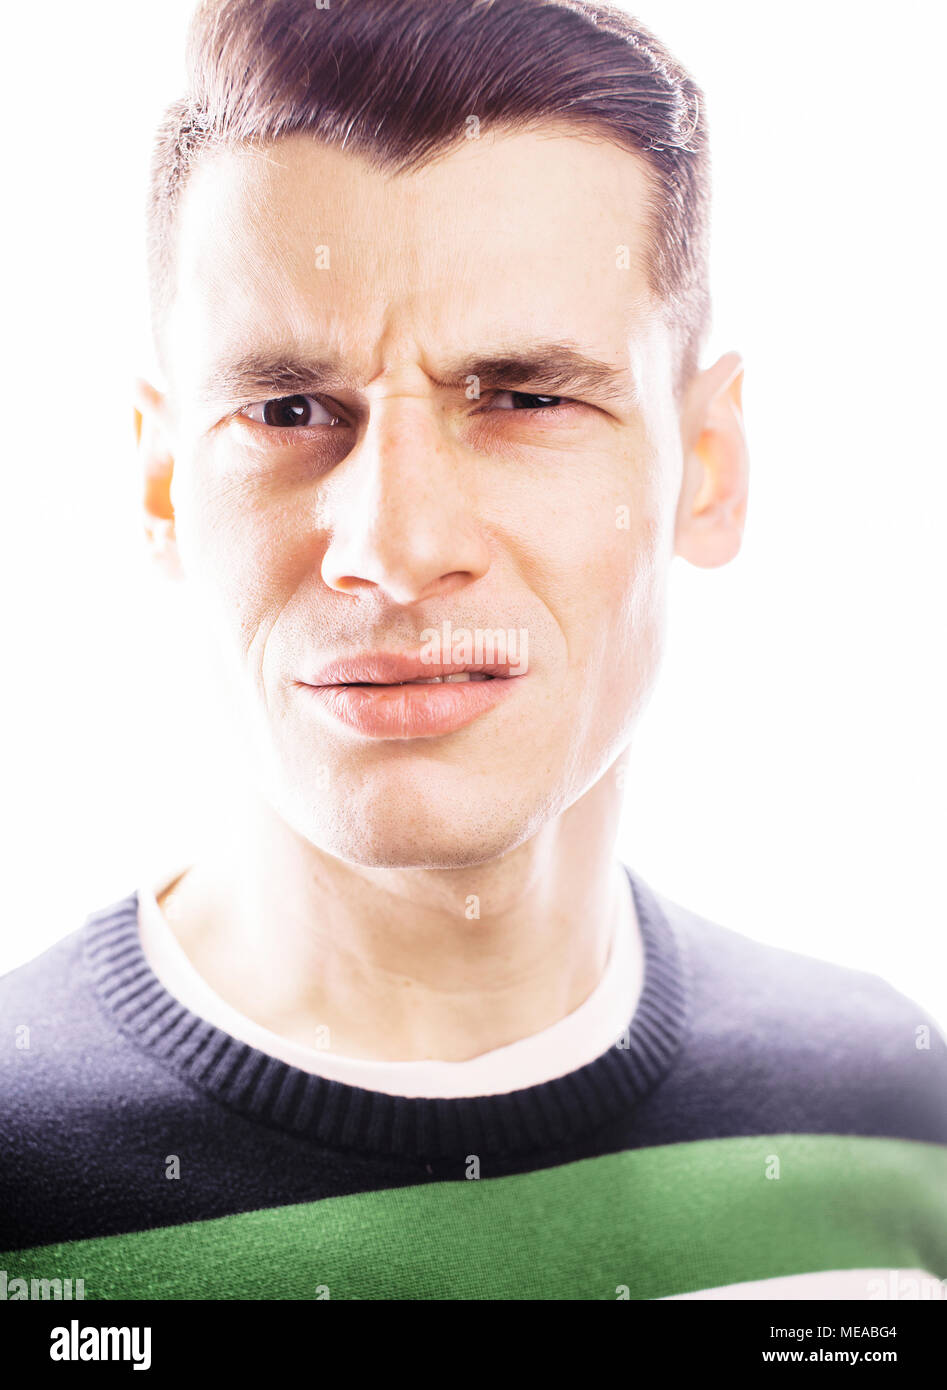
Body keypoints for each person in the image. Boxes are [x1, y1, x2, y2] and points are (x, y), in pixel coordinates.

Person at [1, 0, 944, 1302]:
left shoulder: (894, 1117)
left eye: (522, 397)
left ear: (709, 469)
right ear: (163, 486)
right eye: (288, 408)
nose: (393, 545)